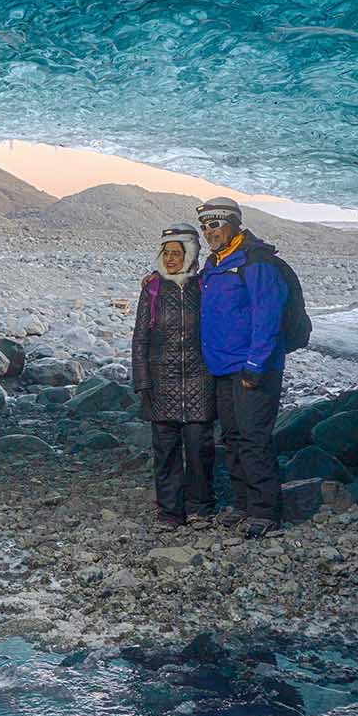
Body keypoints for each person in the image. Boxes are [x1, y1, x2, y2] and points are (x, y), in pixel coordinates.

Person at [196, 197, 288, 538]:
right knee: (233, 438)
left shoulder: (255, 262)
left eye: (215, 225)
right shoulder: (214, 264)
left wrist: (255, 364)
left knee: (253, 437)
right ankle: (243, 504)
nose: (209, 232)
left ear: (234, 224)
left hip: (253, 368)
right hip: (221, 367)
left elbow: (268, 316)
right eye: (205, 227)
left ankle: (265, 511)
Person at [131, 224, 217, 529]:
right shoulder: (153, 289)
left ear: (190, 253)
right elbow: (140, 338)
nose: (170, 258)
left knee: (199, 450)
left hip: (199, 380)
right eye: (166, 253)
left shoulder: (205, 286)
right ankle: (169, 511)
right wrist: (142, 381)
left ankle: (200, 507)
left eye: (176, 253)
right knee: (165, 451)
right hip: (161, 382)